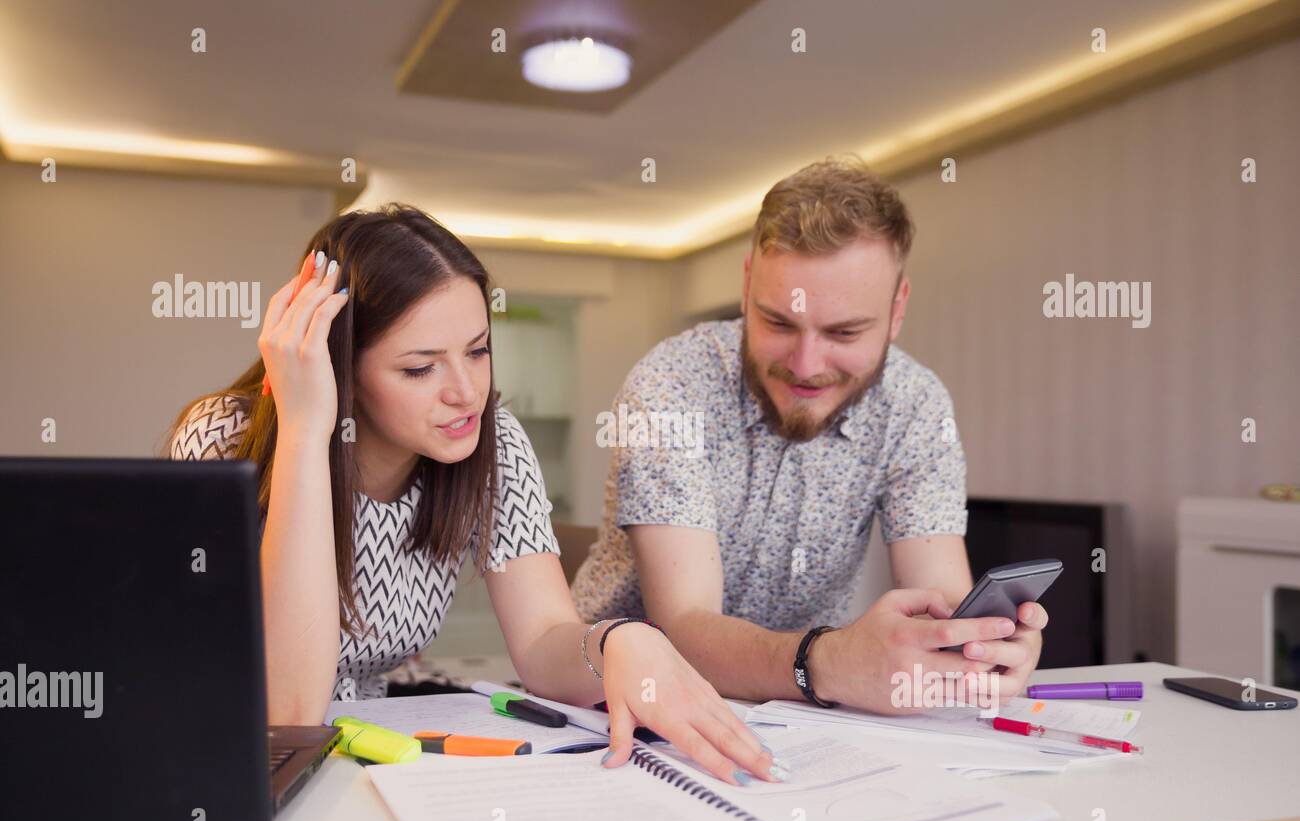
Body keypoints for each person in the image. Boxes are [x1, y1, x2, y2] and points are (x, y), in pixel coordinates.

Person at [168, 204, 781, 785]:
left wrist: (616, 641)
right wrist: (307, 428)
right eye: (420, 368)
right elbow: (290, 712)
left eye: (479, 350)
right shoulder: (225, 438)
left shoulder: (494, 442)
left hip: (366, 752)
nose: (468, 393)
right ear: (335, 366)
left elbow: (543, 645)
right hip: (219, 758)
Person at [573, 157, 1047, 712]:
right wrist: (830, 662)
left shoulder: (916, 405)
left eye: (844, 331)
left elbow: (941, 599)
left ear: (897, 311)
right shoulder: (671, 385)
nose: (805, 363)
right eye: (778, 323)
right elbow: (682, 628)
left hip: (797, 713)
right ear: (748, 284)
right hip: (607, 704)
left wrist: (978, 646)